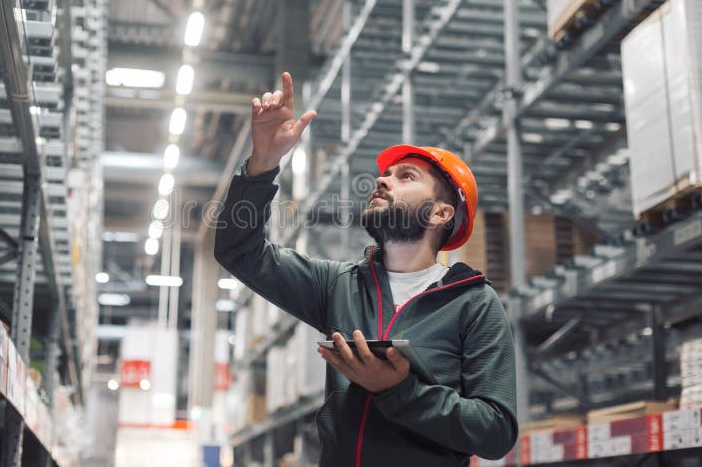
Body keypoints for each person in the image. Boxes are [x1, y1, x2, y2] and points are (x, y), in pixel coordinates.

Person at [214, 72, 518, 467]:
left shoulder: (474, 304)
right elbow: (238, 250)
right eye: (386, 174)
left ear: (442, 213)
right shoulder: (338, 286)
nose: (382, 179)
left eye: (405, 176)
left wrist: (398, 390)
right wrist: (264, 163)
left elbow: (496, 432)